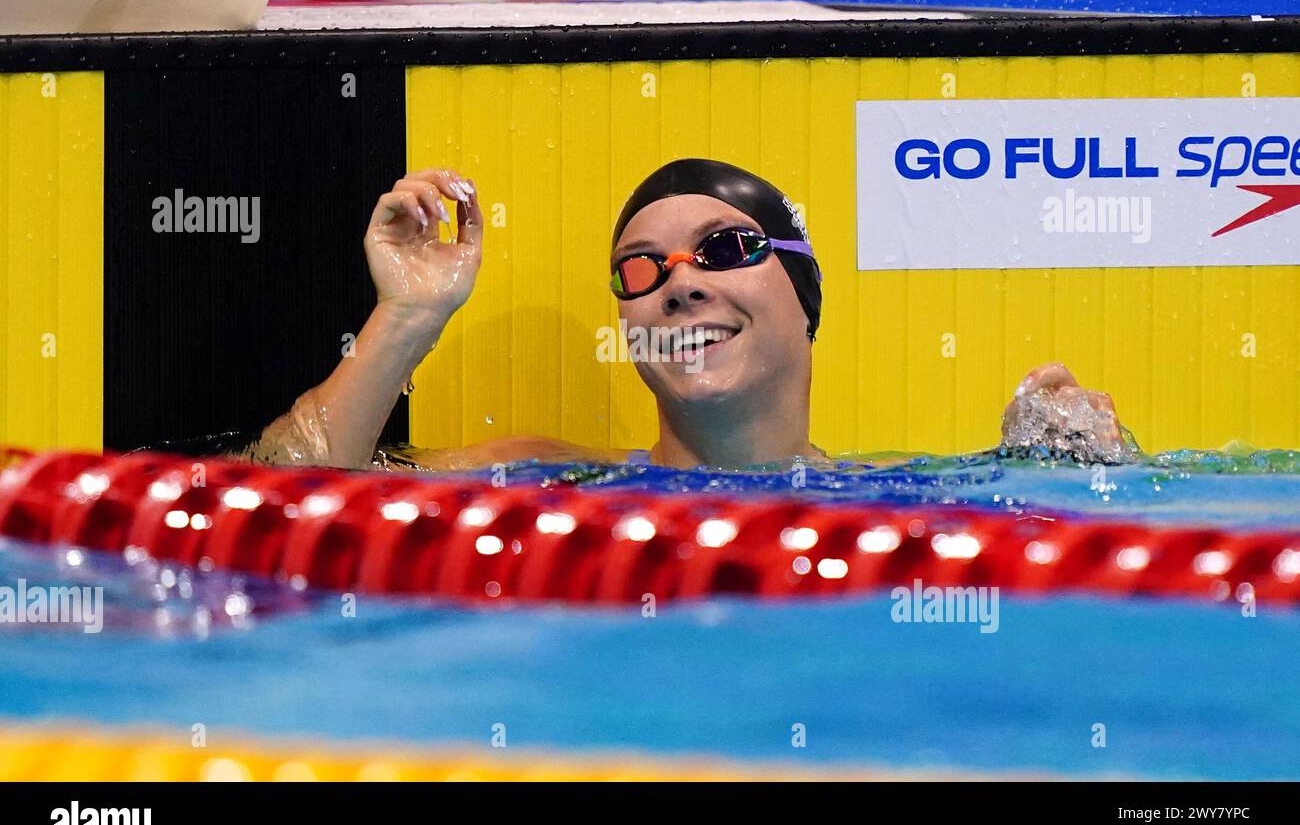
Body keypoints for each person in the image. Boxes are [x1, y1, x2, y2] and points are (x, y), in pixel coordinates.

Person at [238, 159, 1133, 471]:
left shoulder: (904, 495)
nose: (680, 283)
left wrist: (1074, 469)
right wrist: (407, 316)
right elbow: (277, 501)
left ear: (803, 296)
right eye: (641, 270)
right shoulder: (543, 482)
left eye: (726, 250)